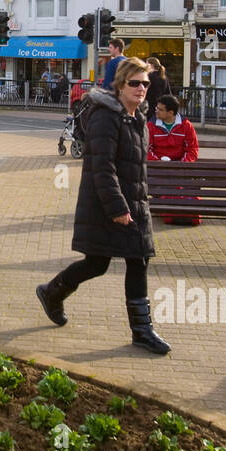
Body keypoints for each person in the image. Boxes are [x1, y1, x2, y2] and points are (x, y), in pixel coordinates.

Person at [36, 58, 169, 353]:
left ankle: (141, 331)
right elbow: (102, 167)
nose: (141, 88)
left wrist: (140, 202)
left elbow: (136, 167)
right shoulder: (106, 117)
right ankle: (52, 292)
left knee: (137, 260)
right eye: (134, 83)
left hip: (134, 204)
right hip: (107, 205)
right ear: (120, 85)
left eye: (145, 83)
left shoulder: (138, 118)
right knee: (98, 263)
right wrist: (118, 208)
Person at [147, 94, 201, 226]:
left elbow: (192, 149)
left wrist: (181, 165)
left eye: (160, 109)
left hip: (181, 169)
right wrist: (159, 163)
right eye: (156, 108)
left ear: (170, 112)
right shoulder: (151, 125)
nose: (156, 111)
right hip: (158, 169)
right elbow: (146, 149)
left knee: (181, 186)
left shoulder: (186, 125)